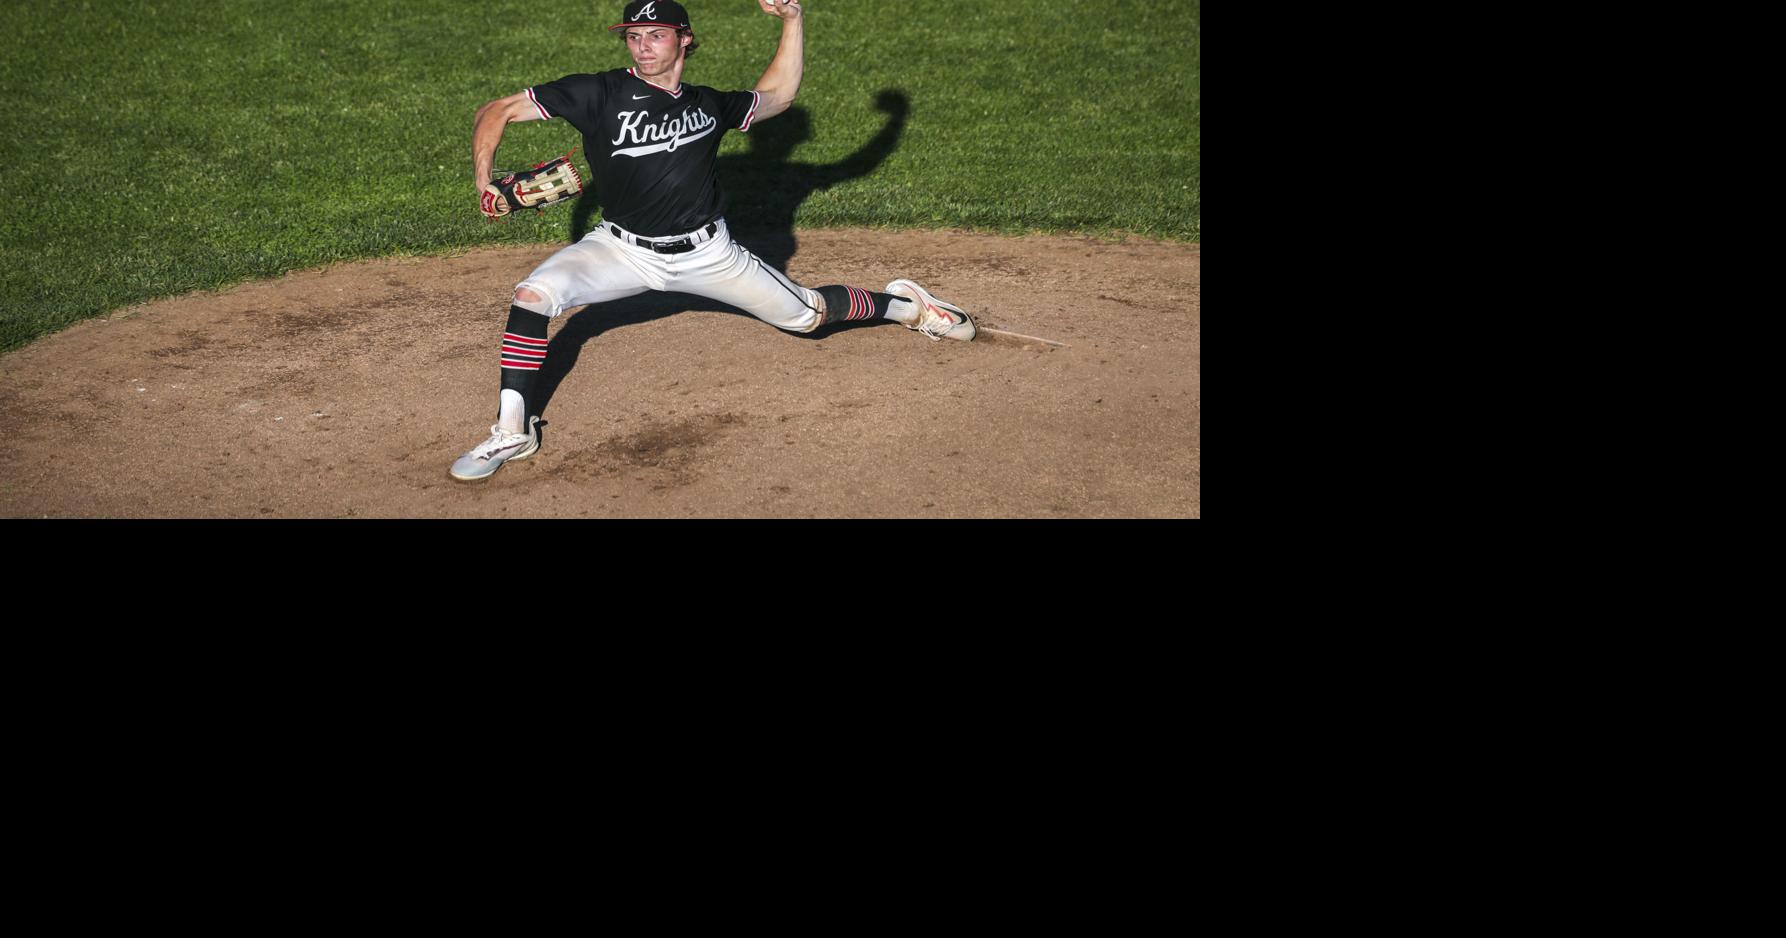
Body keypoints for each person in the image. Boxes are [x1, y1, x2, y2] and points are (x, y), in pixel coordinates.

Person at [451, 0, 975, 482]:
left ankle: (909, 308)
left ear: (685, 40)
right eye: (634, 36)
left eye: (655, 35)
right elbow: (494, 111)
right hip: (620, 250)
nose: (642, 45)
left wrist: (793, 20)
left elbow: (780, 95)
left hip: (710, 254)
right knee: (532, 297)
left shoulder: (708, 105)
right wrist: (484, 177)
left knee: (809, 316)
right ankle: (513, 430)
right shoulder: (597, 92)